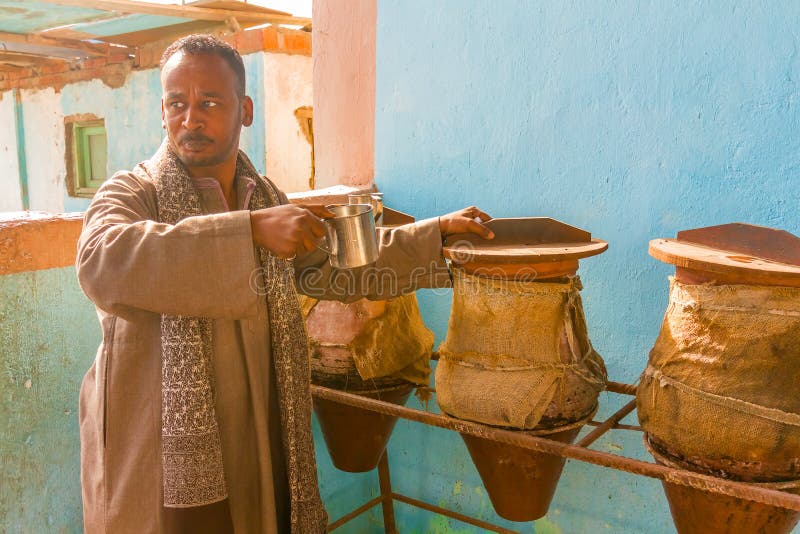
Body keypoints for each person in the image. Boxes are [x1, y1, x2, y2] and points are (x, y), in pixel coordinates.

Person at [76, 34, 493, 534]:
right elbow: (101, 259)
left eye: (209, 102)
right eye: (176, 104)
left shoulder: (265, 196)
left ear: (245, 110)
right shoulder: (133, 192)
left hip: (260, 430)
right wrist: (248, 232)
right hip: (165, 450)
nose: (190, 119)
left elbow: (334, 263)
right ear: (162, 113)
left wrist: (435, 236)